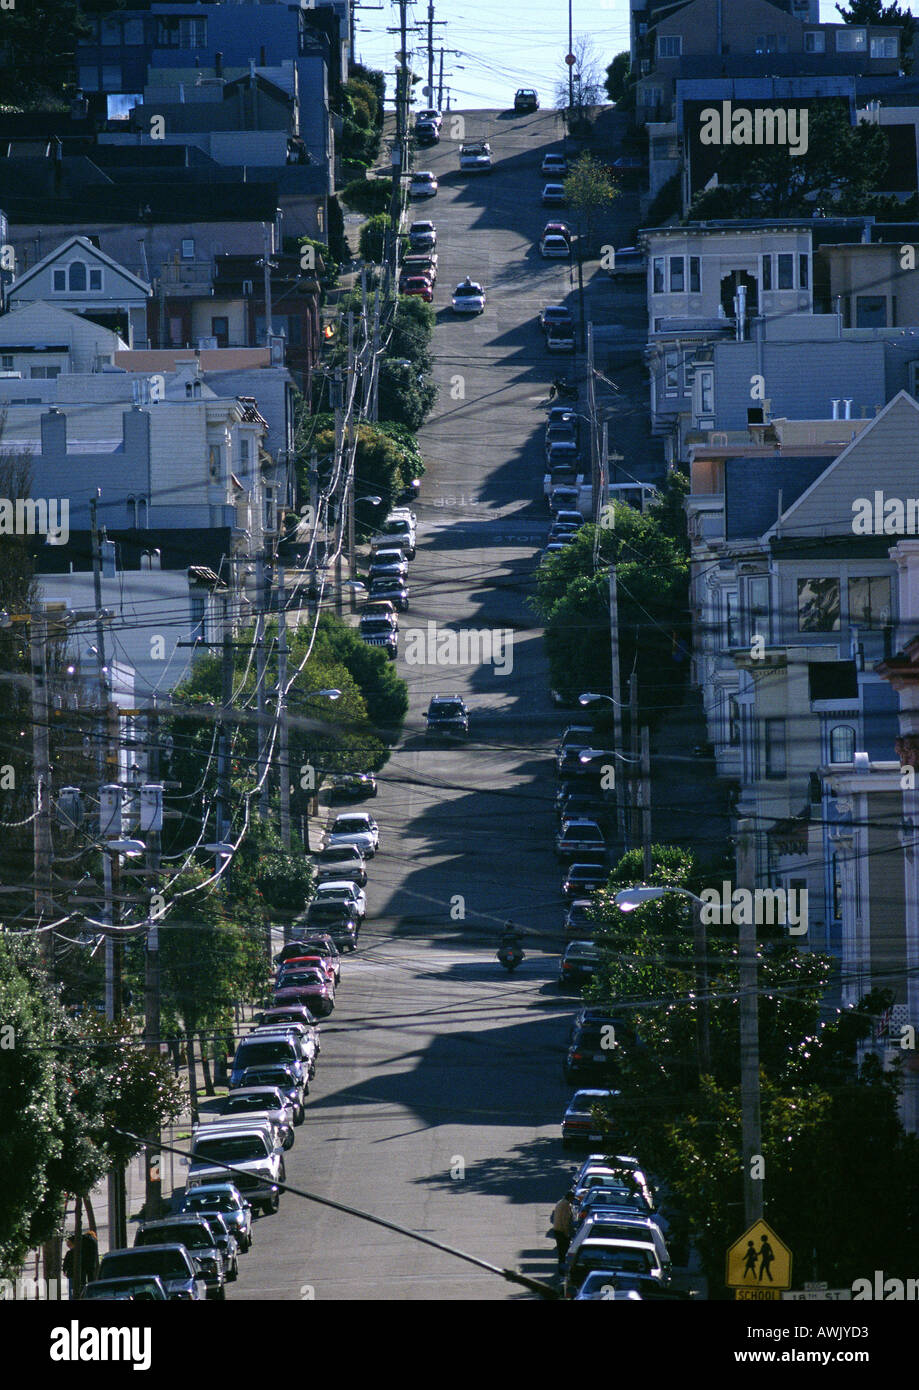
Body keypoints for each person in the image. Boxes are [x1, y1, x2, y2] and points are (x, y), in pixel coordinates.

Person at [551, 1191, 575, 1271]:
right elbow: (565, 1220)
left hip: (557, 1229)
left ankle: (560, 1268)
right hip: (561, 1231)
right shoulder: (566, 1205)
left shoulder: (560, 1202)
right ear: (570, 1198)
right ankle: (562, 1270)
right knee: (564, 1252)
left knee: (561, 1252)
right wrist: (567, 1233)